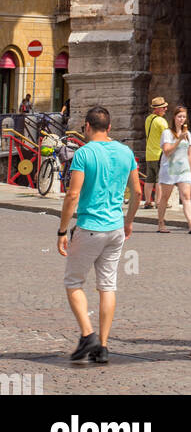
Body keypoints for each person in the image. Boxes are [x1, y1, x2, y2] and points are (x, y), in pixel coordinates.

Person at [57, 104, 141, 365]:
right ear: (110, 128)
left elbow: (73, 194)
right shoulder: (126, 152)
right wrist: (128, 222)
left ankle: (87, 334)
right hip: (116, 227)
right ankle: (102, 347)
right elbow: (137, 193)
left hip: (90, 226)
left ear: (87, 127)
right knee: (108, 286)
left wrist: (62, 230)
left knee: (73, 282)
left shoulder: (84, 153)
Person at [156, 104, 191, 233]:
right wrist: (178, 140)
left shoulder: (188, 134)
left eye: (184, 117)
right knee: (165, 197)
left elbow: (189, 154)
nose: (182, 119)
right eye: (179, 116)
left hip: (183, 169)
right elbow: (167, 151)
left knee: (186, 196)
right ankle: (161, 223)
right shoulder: (167, 133)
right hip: (169, 169)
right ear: (174, 118)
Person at [143, 96, 169, 209]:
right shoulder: (161, 121)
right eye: (163, 107)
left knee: (149, 179)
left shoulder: (148, 119)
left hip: (149, 154)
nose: (165, 109)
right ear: (157, 109)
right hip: (159, 154)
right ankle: (159, 202)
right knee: (159, 179)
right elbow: (167, 137)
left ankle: (148, 201)